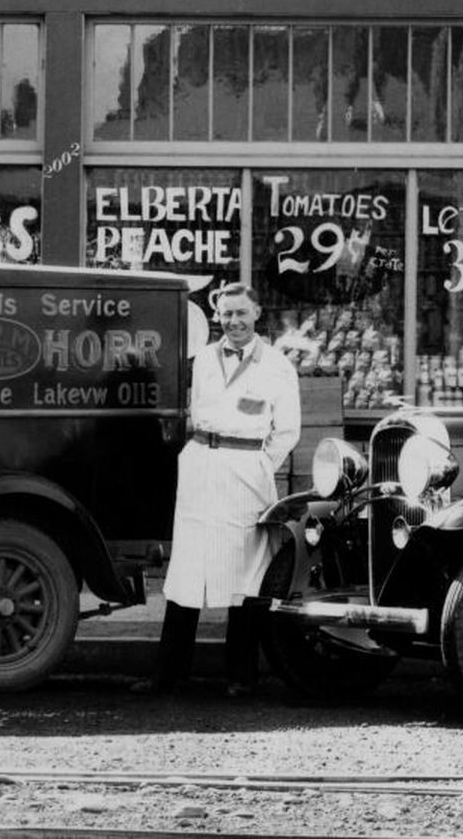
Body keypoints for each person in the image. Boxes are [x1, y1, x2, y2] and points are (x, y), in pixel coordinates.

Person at [133, 282, 300, 698]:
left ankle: (240, 678)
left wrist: (258, 464)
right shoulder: (205, 359)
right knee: (187, 569)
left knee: (245, 573)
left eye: (241, 313)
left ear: (257, 313)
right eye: (226, 314)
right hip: (201, 466)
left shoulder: (277, 366)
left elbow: (287, 431)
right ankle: (168, 675)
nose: (234, 321)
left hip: (245, 471)